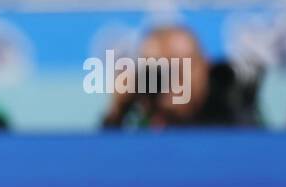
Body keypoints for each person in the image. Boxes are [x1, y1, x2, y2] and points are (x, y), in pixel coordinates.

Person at [102, 25, 262, 129]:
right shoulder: (138, 123)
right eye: (158, 71)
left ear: (206, 66)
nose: (174, 80)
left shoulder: (232, 102)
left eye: (183, 66)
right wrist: (118, 111)